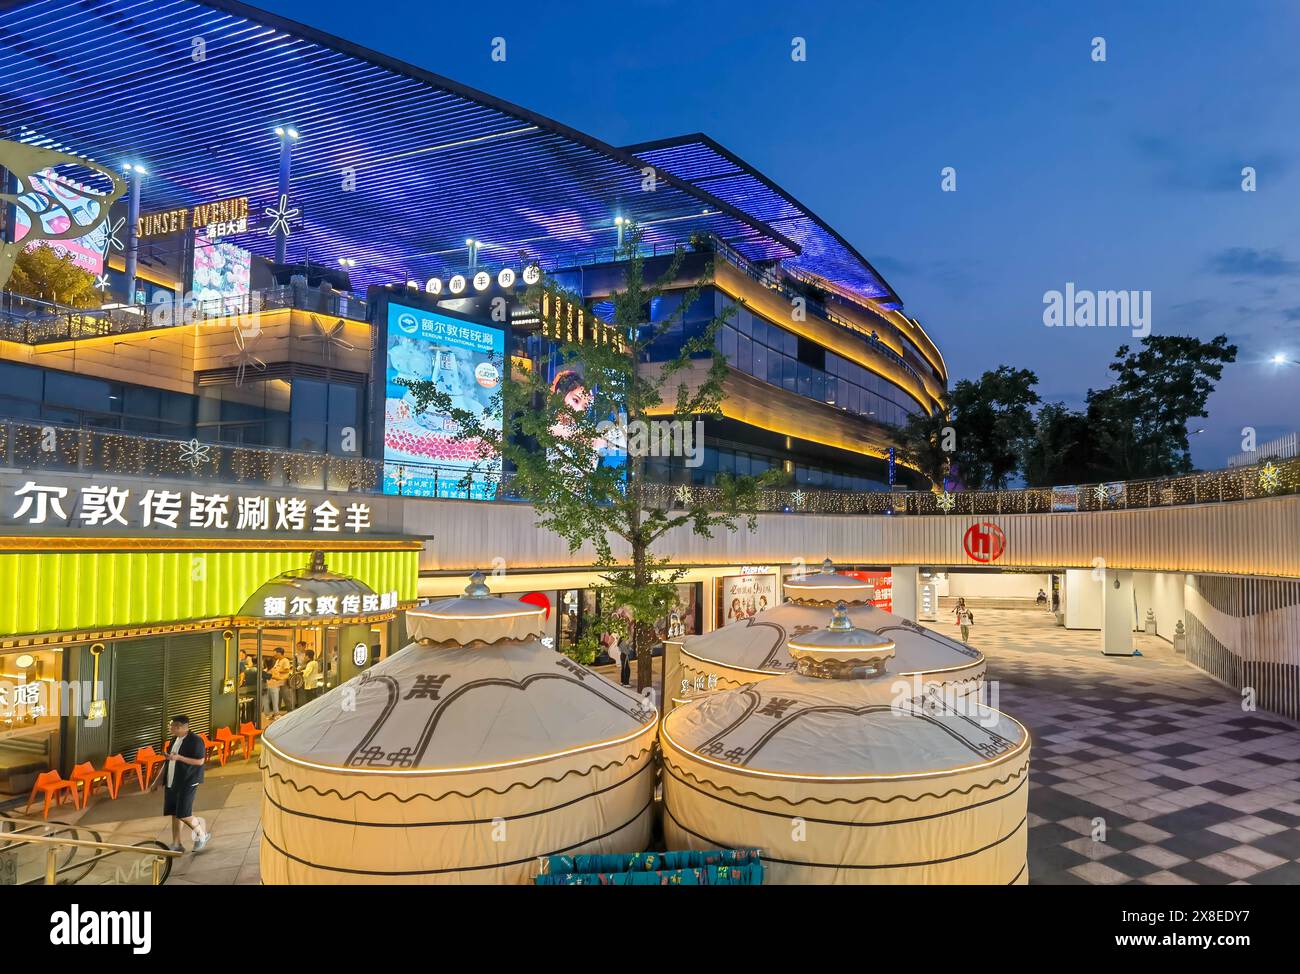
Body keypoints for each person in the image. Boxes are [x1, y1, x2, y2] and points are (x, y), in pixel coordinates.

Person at [149, 715, 210, 853]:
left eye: (172, 726)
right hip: (172, 781)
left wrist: (179, 758)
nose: (170, 728)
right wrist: (157, 781)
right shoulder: (174, 739)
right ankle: (177, 843)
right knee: (174, 812)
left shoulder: (196, 740)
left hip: (188, 781)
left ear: (181, 727)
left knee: (184, 813)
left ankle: (202, 834)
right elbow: (168, 761)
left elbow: (200, 761)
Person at [268, 647, 292, 717]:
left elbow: (287, 670)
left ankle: (290, 712)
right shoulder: (278, 660)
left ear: (279, 653)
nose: (274, 655)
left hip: (283, 681)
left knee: (286, 697)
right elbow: (274, 668)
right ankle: (276, 713)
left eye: (275, 654)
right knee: (277, 698)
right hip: (277, 681)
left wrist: (278, 670)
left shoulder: (285, 660)